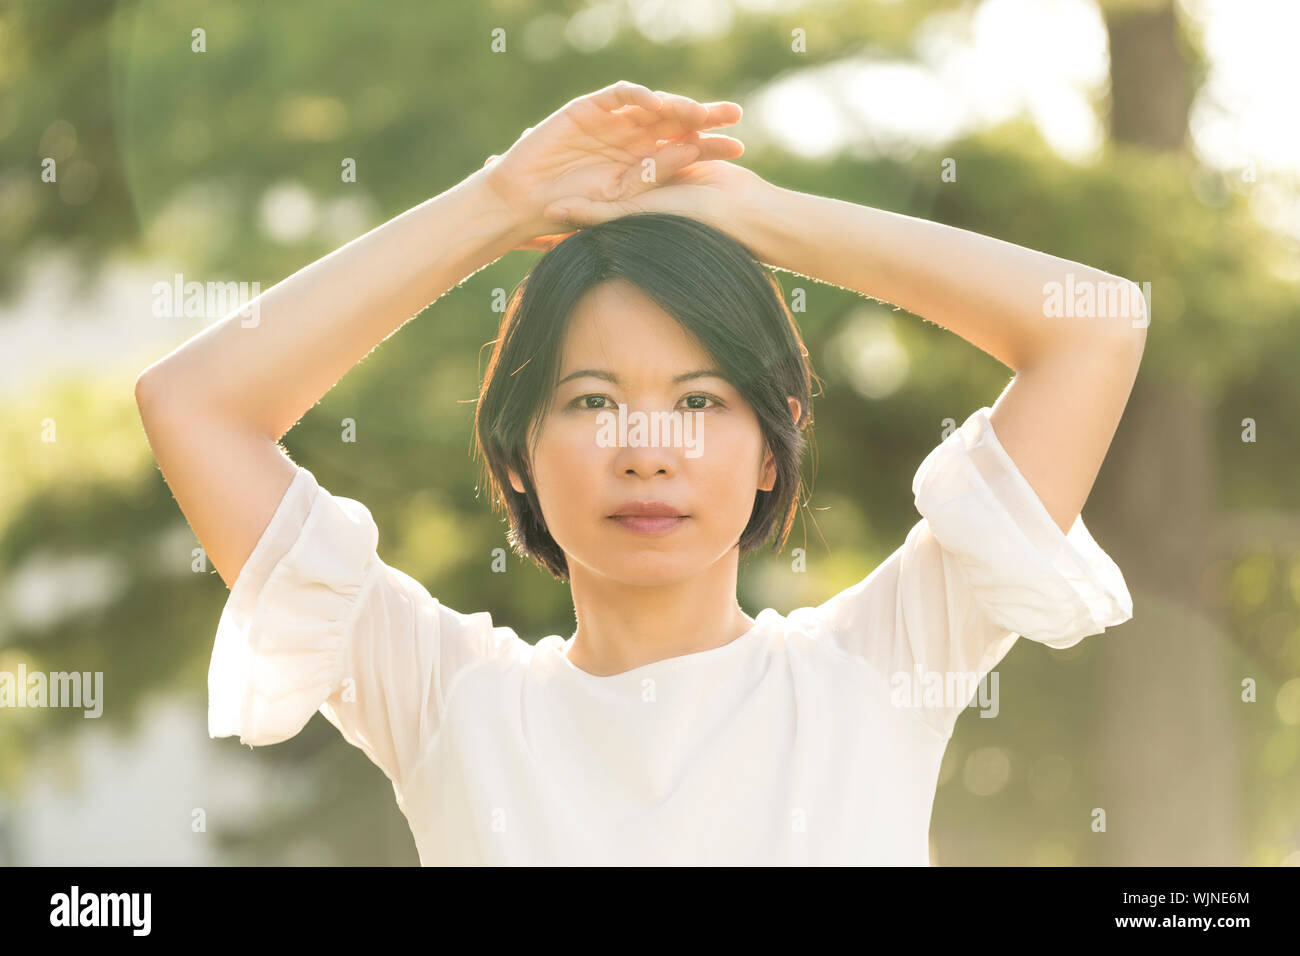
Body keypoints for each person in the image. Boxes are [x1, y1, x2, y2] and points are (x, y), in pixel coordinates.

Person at [135, 81, 1145, 865]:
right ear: (517, 451)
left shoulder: (878, 667)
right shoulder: (450, 702)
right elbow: (192, 405)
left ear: (773, 444)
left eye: (700, 401)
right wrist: (498, 203)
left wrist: (767, 222)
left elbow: (1095, 326)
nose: (647, 448)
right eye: (590, 401)